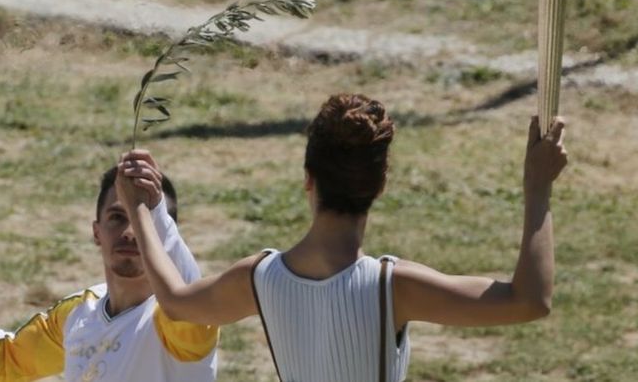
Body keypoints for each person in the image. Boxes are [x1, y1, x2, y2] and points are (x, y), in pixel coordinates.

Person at [115, 93, 567, 382]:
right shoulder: (395, 288)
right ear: (380, 185)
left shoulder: (259, 278)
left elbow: (175, 300)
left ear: (308, 179)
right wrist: (537, 188)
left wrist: (140, 209)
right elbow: (530, 300)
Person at [0, 164, 218, 382]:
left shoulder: (176, 323)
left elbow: (191, 299)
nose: (130, 232)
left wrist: (155, 209)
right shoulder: (80, 313)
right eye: (118, 217)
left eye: (143, 221)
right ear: (96, 232)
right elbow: (9, 360)